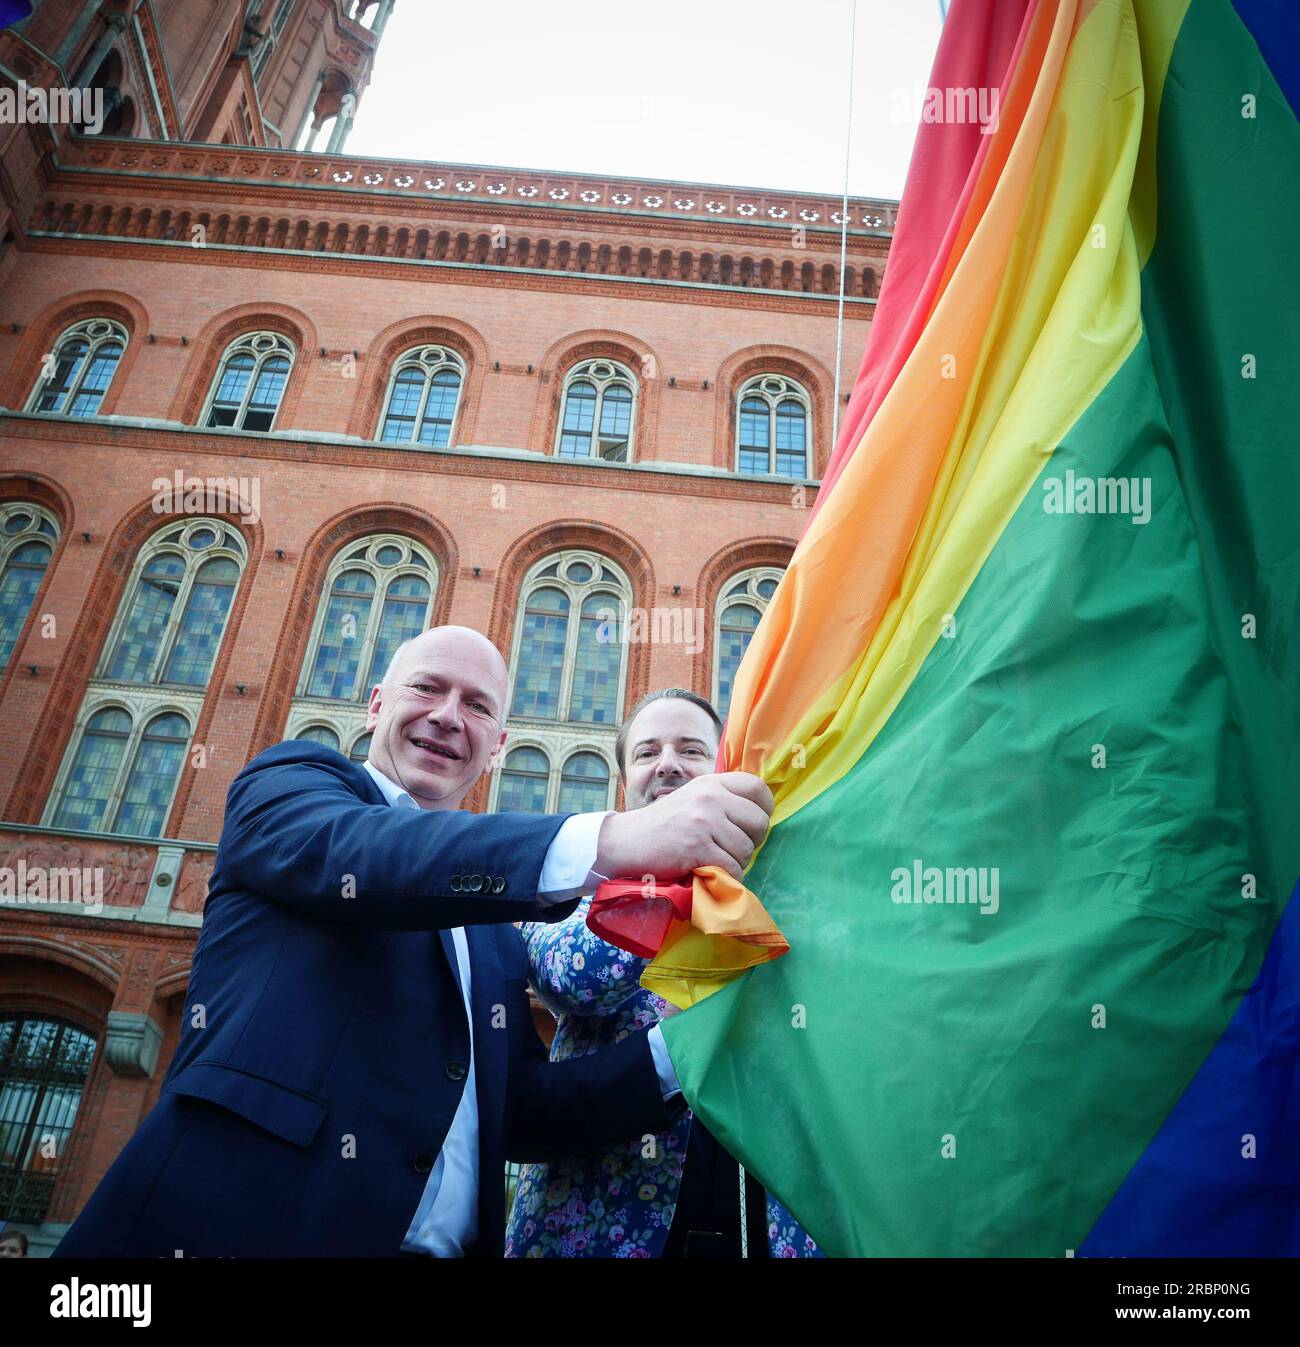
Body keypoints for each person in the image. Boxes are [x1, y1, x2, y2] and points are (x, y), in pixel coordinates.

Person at [54, 629, 772, 1258]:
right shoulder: (294, 786)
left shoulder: (495, 934)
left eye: (478, 706)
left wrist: (678, 1049)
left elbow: (524, 1113)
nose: (448, 716)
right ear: (374, 705)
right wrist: (616, 839)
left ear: (496, 747)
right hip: (242, 1226)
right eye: (428, 687)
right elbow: (371, 855)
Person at [506, 688, 820, 1258]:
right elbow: (576, 979)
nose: (668, 763)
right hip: (605, 1230)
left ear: (722, 770)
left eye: (691, 750)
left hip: (764, 1226)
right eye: (647, 752)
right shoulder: (572, 893)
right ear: (624, 783)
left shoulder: (776, 888)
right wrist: (683, 866)